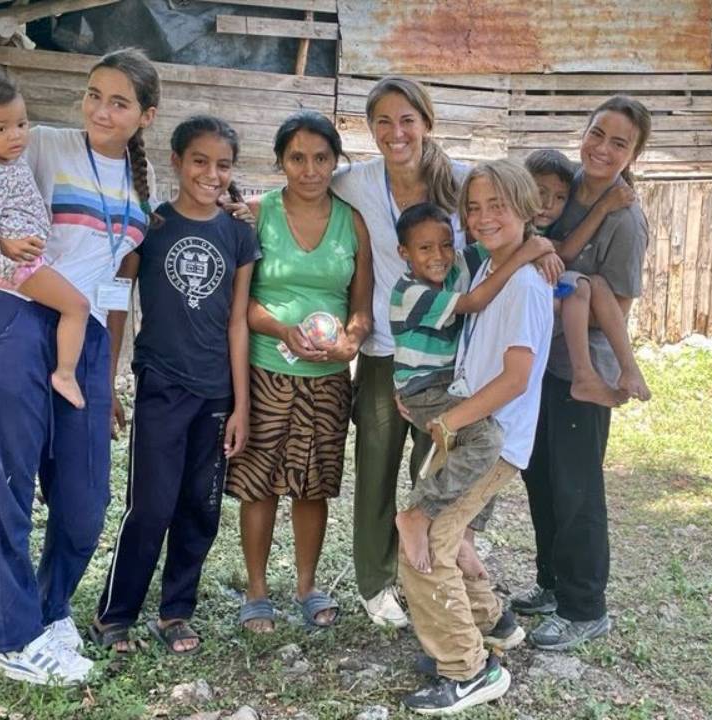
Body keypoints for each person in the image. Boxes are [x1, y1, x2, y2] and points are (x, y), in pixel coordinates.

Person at [0, 48, 160, 685]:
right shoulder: (39, 141)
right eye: (94, 95)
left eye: (118, 102)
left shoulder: (146, 181)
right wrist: (0, 253)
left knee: (85, 498)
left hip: (83, 337)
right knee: (6, 484)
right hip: (15, 317)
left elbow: (119, 283)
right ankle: (15, 639)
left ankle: (50, 606)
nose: (101, 110)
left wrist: (110, 370)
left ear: (146, 116)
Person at [91, 115, 258, 656]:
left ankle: (175, 612)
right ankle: (115, 615)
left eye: (223, 165)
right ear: (177, 162)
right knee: (151, 506)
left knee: (201, 508)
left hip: (216, 393)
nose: (211, 173)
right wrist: (107, 381)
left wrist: (241, 404)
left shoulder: (239, 234)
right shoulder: (152, 225)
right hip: (162, 384)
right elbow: (118, 300)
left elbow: (238, 322)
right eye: (200, 161)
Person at [400, 160, 553, 715]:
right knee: (451, 537)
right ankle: (492, 625)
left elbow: (515, 378)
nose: (483, 217)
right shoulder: (492, 267)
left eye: (498, 206)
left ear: (525, 208)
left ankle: (467, 668)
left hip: (492, 435)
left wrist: (450, 421)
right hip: (474, 431)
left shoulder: (525, 287)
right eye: (474, 207)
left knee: (426, 543)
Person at [328, 76, 470, 628]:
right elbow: (301, 188)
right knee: (376, 469)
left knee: (434, 470)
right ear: (369, 129)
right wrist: (246, 205)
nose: (396, 133)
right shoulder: (359, 181)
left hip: (446, 356)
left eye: (407, 120)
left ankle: (428, 573)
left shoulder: (460, 182)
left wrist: (541, 247)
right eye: (382, 122)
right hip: (386, 353)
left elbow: (507, 219)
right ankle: (374, 582)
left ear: (426, 123)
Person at [514, 96, 653, 653]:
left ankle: (585, 607)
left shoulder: (626, 219)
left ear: (633, 155)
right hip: (538, 362)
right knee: (540, 477)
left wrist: (555, 302)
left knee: (577, 488)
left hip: (585, 367)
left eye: (619, 143)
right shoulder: (563, 186)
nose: (602, 148)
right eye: (598, 133)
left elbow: (617, 304)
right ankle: (552, 583)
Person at [224, 111, 371, 633]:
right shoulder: (257, 214)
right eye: (297, 158)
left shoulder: (352, 222)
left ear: (336, 161)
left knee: (313, 484)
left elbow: (361, 305)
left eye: (321, 158)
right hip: (266, 370)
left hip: (327, 380)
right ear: (281, 162)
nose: (310, 170)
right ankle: (257, 591)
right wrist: (283, 331)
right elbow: (240, 302)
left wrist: (350, 341)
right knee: (259, 483)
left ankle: (307, 586)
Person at [388, 202, 552, 576]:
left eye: (446, 244)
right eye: (425, 248)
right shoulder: (410, 292)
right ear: (404, 253)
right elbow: (476, 300)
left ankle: (466, 532)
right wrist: (529, 252)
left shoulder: (461, 264)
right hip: (425, 390)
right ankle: (419, 513)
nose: (439, 256)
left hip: (453, 384)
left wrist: (541, 249)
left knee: (489, 447)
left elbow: (508, 241)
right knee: (487, 440)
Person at [0, 71, 91, 409]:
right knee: (77, 307)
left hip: (6, 263)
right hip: (18, 264)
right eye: (1, 129)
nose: (15, 135)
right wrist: (4, 265)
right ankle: (65, 374)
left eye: (21, 124)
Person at [523, 148, 650, 406]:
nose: (548, 204)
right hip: (527, 308)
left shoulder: (544, 225)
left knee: (598, 284)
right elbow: (567, 251)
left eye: (560, 197)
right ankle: (583, 375)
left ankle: (629, 366)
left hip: (545, 304)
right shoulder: (520, 226)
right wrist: (603, 207)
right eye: (540, 192)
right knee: (578, 285)